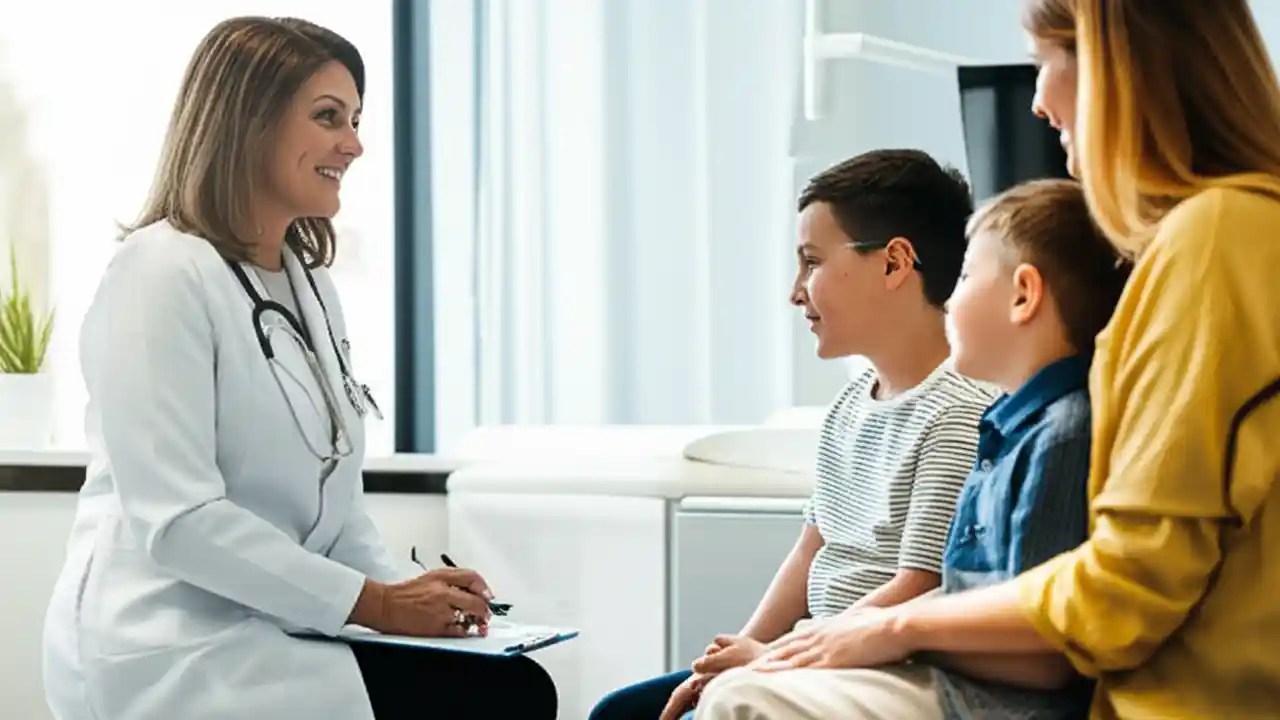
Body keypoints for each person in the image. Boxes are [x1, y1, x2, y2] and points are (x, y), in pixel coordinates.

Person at [696, 1, 1280, 718]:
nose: (1036, 101)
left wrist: (885, 628)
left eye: (1044, 65)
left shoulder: (1216, 241)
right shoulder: (1225, 237)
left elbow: (1124, 590)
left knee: (746, 705)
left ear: (1115, 67)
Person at [40, 17, 555, 720]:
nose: (356, 143)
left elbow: (334, 516)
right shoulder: (158, 274)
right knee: (499, 699)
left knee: (508, 682)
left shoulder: (307, 286)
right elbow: (181, 521)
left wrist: (417, 599)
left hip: (274, 627)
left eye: (355, 119)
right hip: (169, 644)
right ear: (249, 121)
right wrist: (378, 605)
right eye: (328, 117)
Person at [693, 178, 1131, 719]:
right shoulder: (1008, 426)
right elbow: (956, 589)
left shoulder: (1055, 434)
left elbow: (1041, 647)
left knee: (739, 701)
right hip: (918, 663)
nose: (950, 295)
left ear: (1023, 295)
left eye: (967, 277)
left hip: (977, 698)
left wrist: (877, 636)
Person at [590, 149, 996, 720]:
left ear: (894, 263)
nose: (796, 290)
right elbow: (813, 549)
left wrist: (772, 657)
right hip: (812, 651)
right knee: (621, 713)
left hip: (876, 666)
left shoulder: (957, 411)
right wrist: (731, 654)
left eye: (811, 263)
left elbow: (917, 584)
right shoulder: (850, 406)